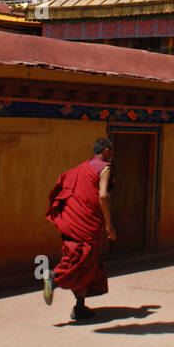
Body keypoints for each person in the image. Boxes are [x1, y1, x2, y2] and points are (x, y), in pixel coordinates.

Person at [43, 136, 116, 321]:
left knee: (85, 262)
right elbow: (103, 196)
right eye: (112, 152)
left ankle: (80, 307)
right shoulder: (105, 168)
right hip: (87, 224)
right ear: (107, 151)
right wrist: (109, 224)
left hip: (75, 221)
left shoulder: (81, 168)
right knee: (83, 261)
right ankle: (54, 277)